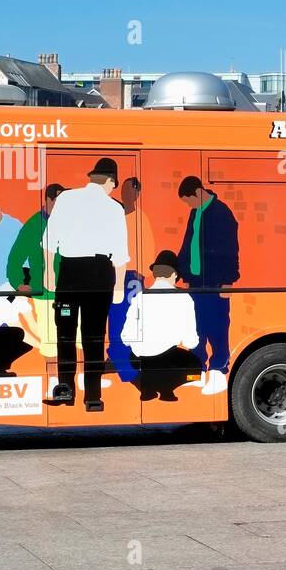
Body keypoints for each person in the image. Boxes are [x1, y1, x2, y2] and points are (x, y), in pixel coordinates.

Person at [41, 157, 129, 412]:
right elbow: (120, 253)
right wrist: (119, 287)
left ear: (92, 178)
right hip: (100, 276)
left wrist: (49, 272)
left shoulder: (67, 199)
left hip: (69, 274)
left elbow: (50, 239)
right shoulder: (114, 208)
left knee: (65, 335)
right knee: (93, 338)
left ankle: (65, 392)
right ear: (110, 181)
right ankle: (93, 397)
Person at [176, 176, 240, 396]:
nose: (188, 205)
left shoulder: (221, 213)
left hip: (215, 283)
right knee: (196, 328)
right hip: (195, 282)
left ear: (197, 193)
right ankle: (198, 370)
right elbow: (188, 244)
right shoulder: (196, 212)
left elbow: (231, 249)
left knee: (218, 328)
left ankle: (219, 371)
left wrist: (228, 281)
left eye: (188, 200)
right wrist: (180, 270)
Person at [121, 250, 204, 402]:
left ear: (155, 274)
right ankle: (166, 389)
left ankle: (147, 388)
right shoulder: (184, 299)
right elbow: (190, 342)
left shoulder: (140, 297)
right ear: (174, 275)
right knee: (196, 367)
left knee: (150, 361)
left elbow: (126, 336)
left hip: (140, 359)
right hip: (167, 359)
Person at [107, 177, 157, 384]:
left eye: (132, 191)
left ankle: (126, 367)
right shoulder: (114, 215)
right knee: (114, 320)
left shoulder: (140, 218)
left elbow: (148, 248)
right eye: (125, 190)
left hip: (132, 277)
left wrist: (142, 274)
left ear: (137, 194)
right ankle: (116, 357)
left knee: (127, 322)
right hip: (113, 275)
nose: (127, 194)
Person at [7, 183, 65, 357]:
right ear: (48, 200)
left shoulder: (68, 224)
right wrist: (18, 282)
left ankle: (83, 380)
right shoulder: (34, 225)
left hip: (69, 291)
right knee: (50, 343)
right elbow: (15, 257)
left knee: (77, 339)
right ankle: (54, 381)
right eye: (58, 202)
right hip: (45, 294)